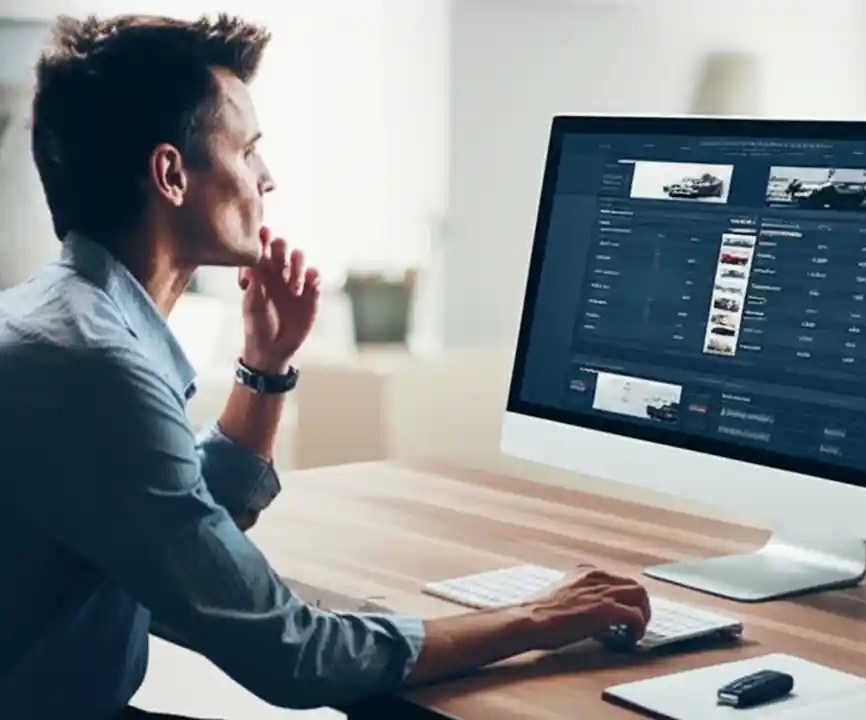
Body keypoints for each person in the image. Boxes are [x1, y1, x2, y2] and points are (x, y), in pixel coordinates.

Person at [0, 13, 651, 719]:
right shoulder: (96, 369)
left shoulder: (53, 320)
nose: (266, 177)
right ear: (170, 174)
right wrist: (538, 619)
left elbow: (172, 529)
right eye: (247, 150)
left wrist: (265, 367)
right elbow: (293, 654)